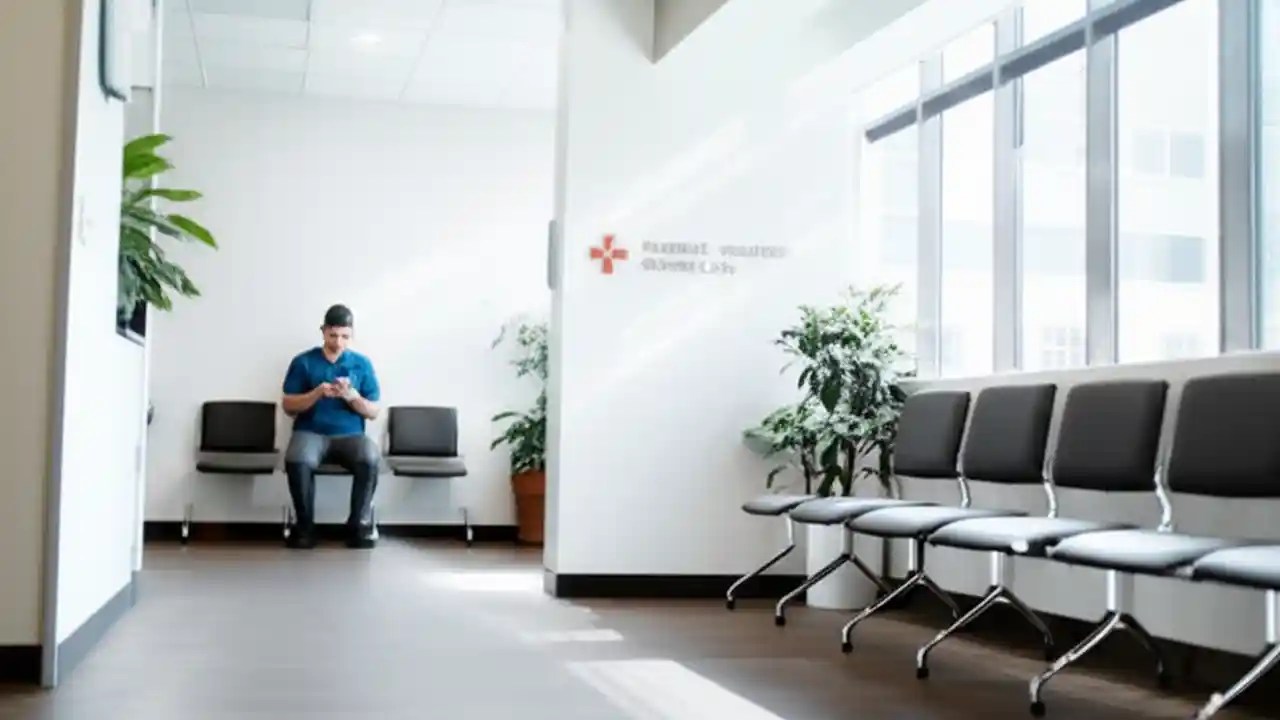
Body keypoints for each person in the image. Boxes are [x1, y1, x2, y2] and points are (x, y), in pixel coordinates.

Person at [281, 304, 382, 549]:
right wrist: (316, 393)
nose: (338, 342)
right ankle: (305, 527)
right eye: (333, 335)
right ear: (323, 331)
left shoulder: (362, 364)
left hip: (350, 436)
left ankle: (357, 525)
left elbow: (374, 411)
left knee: (370, 457)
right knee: (297, 459)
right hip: (311, 433)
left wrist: (351, 396)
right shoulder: (303, 362)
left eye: (345, 336)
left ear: (352, 335)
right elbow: (288, 406)